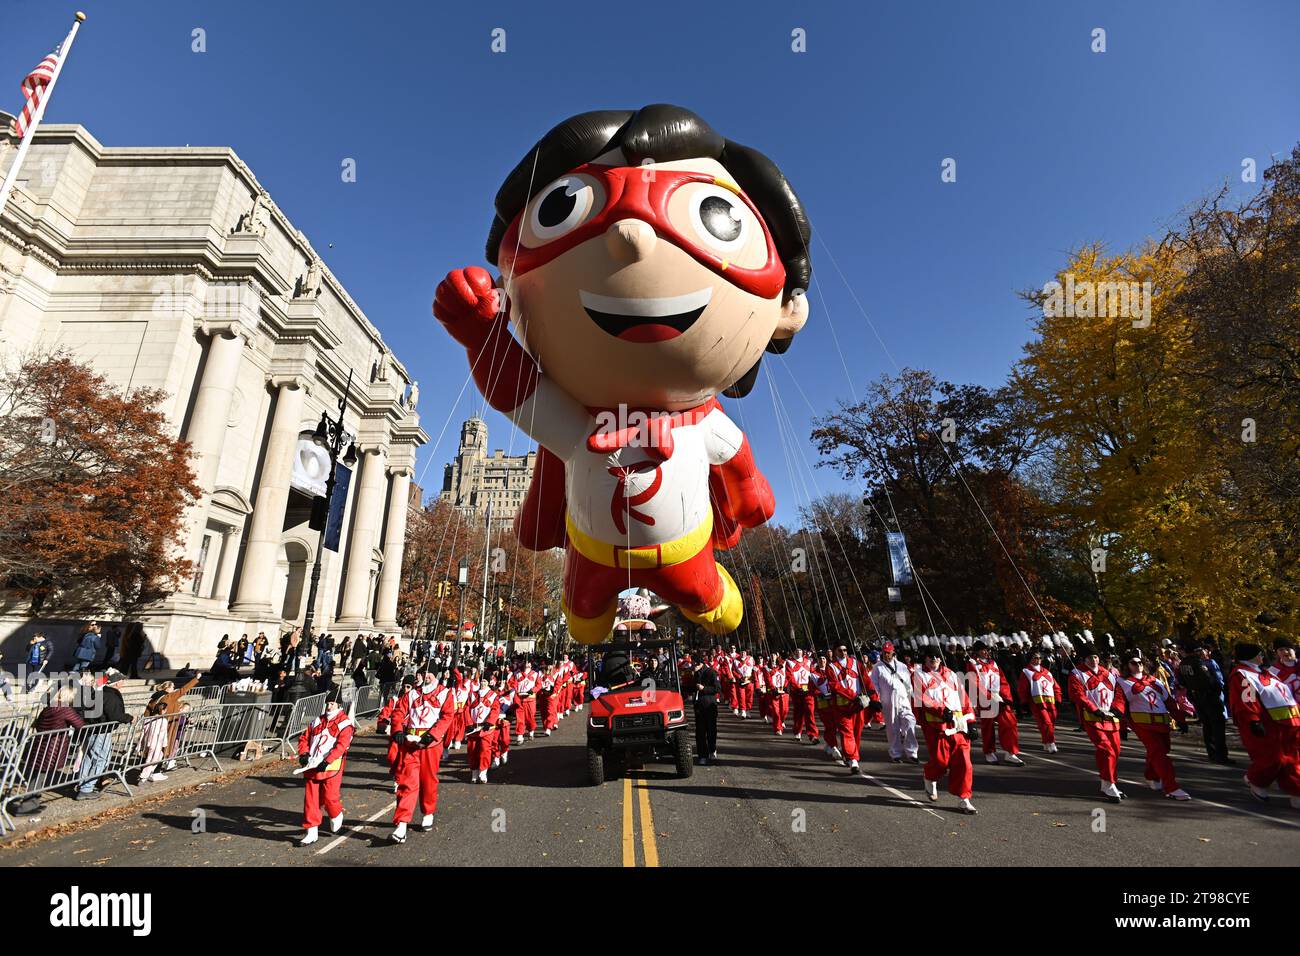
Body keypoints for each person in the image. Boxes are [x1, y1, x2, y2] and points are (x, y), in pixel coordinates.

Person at [1227, 642, 1299, 808]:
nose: (1262, 656)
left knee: (1292, 761)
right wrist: (1253, 719)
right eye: (1259, 653)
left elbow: (1285, 695)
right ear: (1251, 656)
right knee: (1274, 758)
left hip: (1288, 722)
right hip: (1269, 723)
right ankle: (1256, 780)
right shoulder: (1242, 674)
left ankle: (1296, 791)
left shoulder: (1266, 672)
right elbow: (1246, 699)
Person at [387, 671, 454, 843]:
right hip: (410, 744)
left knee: (428, 781)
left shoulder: (445, 693)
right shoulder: (412, 694)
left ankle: (428, 811)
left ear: (436, 675)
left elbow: (447, 717)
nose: (425, 678)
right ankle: (401, 825)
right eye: (423, 674)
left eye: (429, 674)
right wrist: (398, 731)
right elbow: (398, 713)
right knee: (406, 783)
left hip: (430, 745)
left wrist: (433, 735)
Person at [912, 648, 978, 814]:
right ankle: (930, 776)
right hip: (936, 727)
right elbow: (922, 698)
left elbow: (964, 699)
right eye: (930, 657)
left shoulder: (951, 675)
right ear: (925, 659)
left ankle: (964, 799)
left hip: (958, 725)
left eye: (936, 657)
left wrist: (971, 722)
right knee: (941, 761)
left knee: (964, 762)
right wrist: (941, 710)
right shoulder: (920, 675)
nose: (934, 659)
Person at [1116, 653, 1189, 800]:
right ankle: (1171, 787)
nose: (1138, 665)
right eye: (1133, 662)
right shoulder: (1122, 682)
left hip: (1162, 723)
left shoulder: (1154, 680)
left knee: (1161, 750)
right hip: (1142, 724)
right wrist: (1122, 727)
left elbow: (1169, 701)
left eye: (1140, 662)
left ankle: (1151, 775)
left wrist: (1180, 719)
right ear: (1127, 665)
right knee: (1159, 752)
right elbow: (1119, 704)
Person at [12, 684, 86, 815]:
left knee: (38, 775)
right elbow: (80, 725)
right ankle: (26, 806)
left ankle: (33, 802)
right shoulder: (65, 709)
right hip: (52, 747)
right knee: (39, 776)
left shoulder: (49, 707)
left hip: (41, 744)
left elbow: (37, 724)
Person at [296, 689, 356, 846]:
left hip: (331, 766)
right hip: (312, 765)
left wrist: (328, 760)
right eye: (328, 704)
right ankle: (311, 831)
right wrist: (303, 753)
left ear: (339, 705)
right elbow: (304, 738)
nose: (329, 707)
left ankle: (336, 815)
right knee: (311, 800)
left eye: (332, 704)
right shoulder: (317, 721)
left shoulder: (344, 723)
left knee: (330, 798)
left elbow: (342, 745)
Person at [1069, 646, 1126, 803]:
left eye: (1095, 657)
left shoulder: (1108, 673)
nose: (1093, 660)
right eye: (1090, 658)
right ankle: (1109, 784)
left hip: (1111, 718)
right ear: (1084, 659)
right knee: (1105, 749)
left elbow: (1119, 693)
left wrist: (1118, 708)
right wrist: (1095, 709)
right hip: (1092, 718)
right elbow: (1077, 695)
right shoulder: (1077, 673)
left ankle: (1107, 782)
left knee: (1115, 750)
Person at [73, 669, 131, 800]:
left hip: (94, 729)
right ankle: (86, 788)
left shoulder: (102, 692)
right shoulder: (109, 695)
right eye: (122, 680)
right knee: (100, 759)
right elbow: (115, 714)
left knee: (89, 757)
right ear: (117, 683)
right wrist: (129, 718)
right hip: (100, 731)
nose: (124, 682)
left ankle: (83, 785)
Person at [966, 641, 1023, 765]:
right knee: (988, 726)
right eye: (982, 650)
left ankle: (1010, 752)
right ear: (977, 651)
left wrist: (1007, 698)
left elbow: (1002, 681)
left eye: (987, 650)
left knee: (1010, 722)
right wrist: (987, 697)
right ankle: (989, 752)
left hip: (998, 697)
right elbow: (974, 682)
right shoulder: (973, 664)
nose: (985, 652)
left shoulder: (994, 664)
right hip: (985, 698)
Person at [826, 644, 880, 774]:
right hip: (842, 707)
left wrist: (873, 698)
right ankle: (853, 760)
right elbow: (835, 686)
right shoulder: (831, 667)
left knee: (857, 731)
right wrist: (852, 695)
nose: (843, 652)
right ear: (835, 651)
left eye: (845, 650)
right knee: (847, 732)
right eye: (840, 650)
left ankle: (849, 754)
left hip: (858, 705)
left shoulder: (856, 663)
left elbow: (866, 680)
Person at [1179, 642, 1231, 764]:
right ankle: (1221, 755)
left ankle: (1212, 753)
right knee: (1217, 726)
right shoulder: (1198, 663)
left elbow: (1182, 681)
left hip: (1196, 696)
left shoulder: (1183, 664)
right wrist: (1217, 690)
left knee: (1207, 725)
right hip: (1209, 696)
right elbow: (1209, 680)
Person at [871, 642, 919, 764]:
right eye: (884, 652)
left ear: (893, 652)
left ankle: (912, 752)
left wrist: (911, 697)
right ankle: (895, 753)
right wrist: (876, 700)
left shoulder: (902, 666)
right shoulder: (877, 667)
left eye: (888, 652)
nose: (886, 655)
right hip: (888, 701)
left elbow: (908, 685)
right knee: (893, 728)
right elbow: (874, 686)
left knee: (910, 722)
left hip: (903, 700)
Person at [1017, 650, 1062, 752]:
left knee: (1050, 723)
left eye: (1039, 658)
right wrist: (1024, 702)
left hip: (1051, 702)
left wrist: (1058, 699)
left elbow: (1056, 687)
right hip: (1037, 702)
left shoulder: (1047, 672)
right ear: (1030, 659)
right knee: (1046, 723)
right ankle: (1051, 743)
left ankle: (1046, 742)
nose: (1038, 660)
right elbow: (1022, 688)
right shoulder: (1026, 672)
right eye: (1035, 658)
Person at [786, 649, 819, 743]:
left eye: (800, 650)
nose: (798, 652)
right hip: (797, 692)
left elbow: (813, 674)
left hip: (808, 691)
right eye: (796, 650)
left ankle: (813, 735)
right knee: (798, 712)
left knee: (810, 712)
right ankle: (797, 731)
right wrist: (797, 688)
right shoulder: (790, 662)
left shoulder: (808, 661)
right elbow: (790, 676)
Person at [136, 698, 172, 784]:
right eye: (165, 710)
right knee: (152, 759)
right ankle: (143, 776)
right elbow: (163, 733)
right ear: (162, 710)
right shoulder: (163, 720)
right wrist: (164, 744)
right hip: (156, 743)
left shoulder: (148, 719)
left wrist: (141, 744)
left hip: (148, 742)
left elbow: (144, 732)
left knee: (157, 757)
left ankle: (146, 774)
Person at [693, 658, 720, 765]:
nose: (693, 666)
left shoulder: (711, 672)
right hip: (699, 707)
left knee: (711, 730)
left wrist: (704, 688)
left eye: (695, 664)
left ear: (700, 664)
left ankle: (712, 749)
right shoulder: (694, 674)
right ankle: (702, 755)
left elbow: (717, 688)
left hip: (709, 705)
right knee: (700, 732)